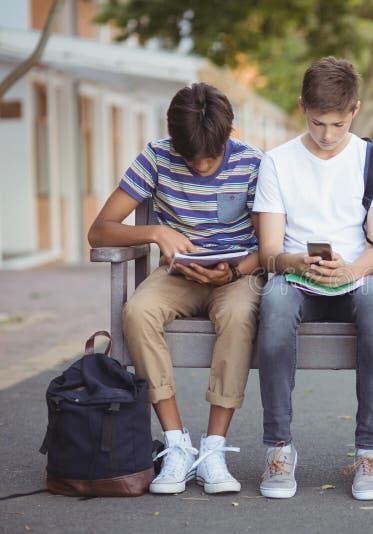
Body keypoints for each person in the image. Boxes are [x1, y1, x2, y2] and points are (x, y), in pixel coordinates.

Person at [87, 82, 263, 495]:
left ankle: (214, 449)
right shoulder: (156, 157)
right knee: (137, 311)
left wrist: (234, 273)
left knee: (239, 315)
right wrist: (154, 232)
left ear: (228, 134)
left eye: (212, 157)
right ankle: (177, 443)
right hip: (177, 276)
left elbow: (269, 247)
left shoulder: (252, 163)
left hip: (235, 275)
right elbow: (99, 231)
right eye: (191, 158)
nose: (202, 166)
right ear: (174, 141)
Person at [253, 57, 373, 501]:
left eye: (337, 123)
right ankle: (280, 448)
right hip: (298, 278)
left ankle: (370, 452)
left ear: (355, 110)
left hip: (357, 276)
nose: (328, 134)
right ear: (302, 108)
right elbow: (269, 253)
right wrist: (300, 263)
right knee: (274, 310)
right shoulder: (277, 162)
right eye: (318, 123)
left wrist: (350, 270)